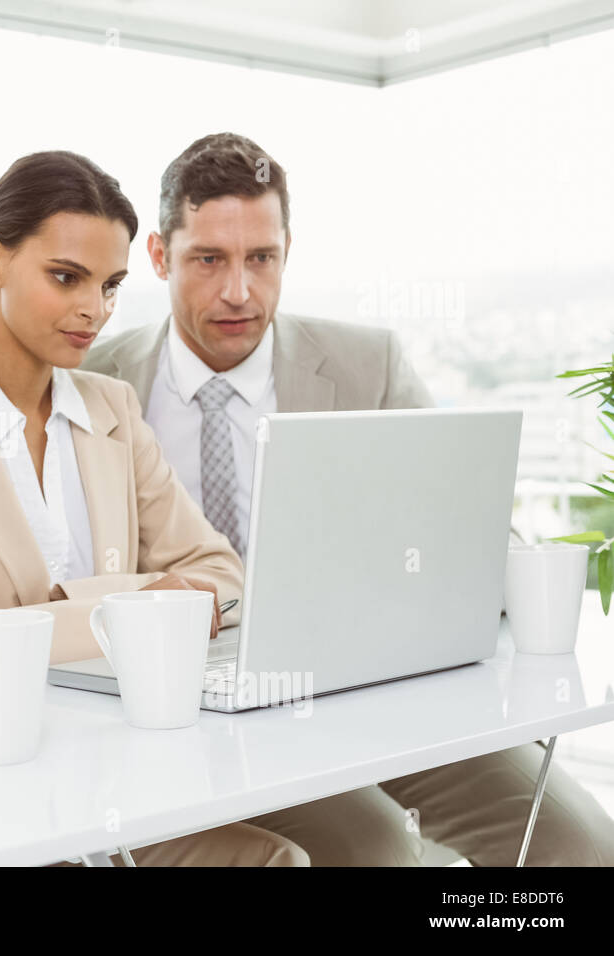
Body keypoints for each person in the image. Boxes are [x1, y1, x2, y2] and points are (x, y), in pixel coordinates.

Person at [83, 131, 614, 866]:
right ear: (158, 257)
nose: (239, 290)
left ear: (287, 252)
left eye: (261, 258)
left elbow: (471, 528)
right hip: (199, 722)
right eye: (209, 260)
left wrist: (501, 569)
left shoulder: (369, 365)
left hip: (377, 697)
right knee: (379, 856)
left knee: (580, 844)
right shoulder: (95, 380)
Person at [0, 150, 307, 866]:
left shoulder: (109, 407)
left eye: (111, 285)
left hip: (132, 762)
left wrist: (117, 606)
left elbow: (218, 569)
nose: (95, 309)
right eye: (66, 277)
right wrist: (128, 607)